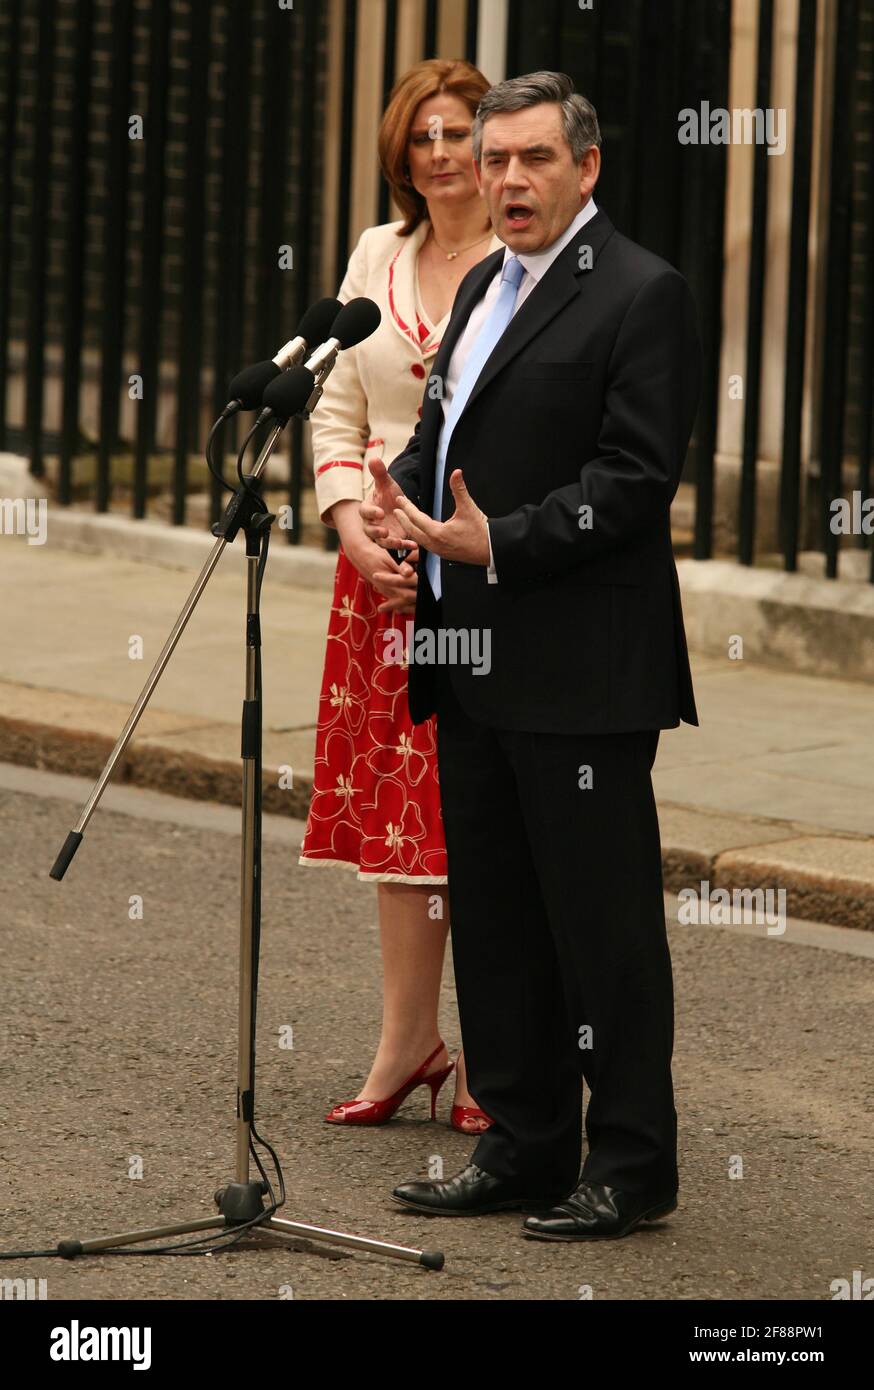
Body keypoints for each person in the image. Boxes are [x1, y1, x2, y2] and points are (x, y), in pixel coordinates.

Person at [363, 70, 701, 1239]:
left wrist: (496, 540)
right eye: (494, 160)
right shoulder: (483, 289)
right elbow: (438, 432)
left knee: (598, 926)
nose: (506, 179)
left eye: (532, 160)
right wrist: (394, 511)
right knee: (498, 915)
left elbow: (633, 480)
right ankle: (521, 1140)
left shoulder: (641, 295)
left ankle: (632, 1162)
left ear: (586, 168)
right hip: (468, 654)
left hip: (582, 667)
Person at [299, 59, 504, 1133]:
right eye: (422, 135)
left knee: (474, 818)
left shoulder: (523, 261)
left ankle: (494, 1057)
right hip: (374, 583)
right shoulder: (377, 255)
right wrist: (348, 525)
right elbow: (334, 414)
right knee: (399, 829)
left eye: (458, 131)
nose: (438, 152)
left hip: (475, 575)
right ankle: (406, 1043)